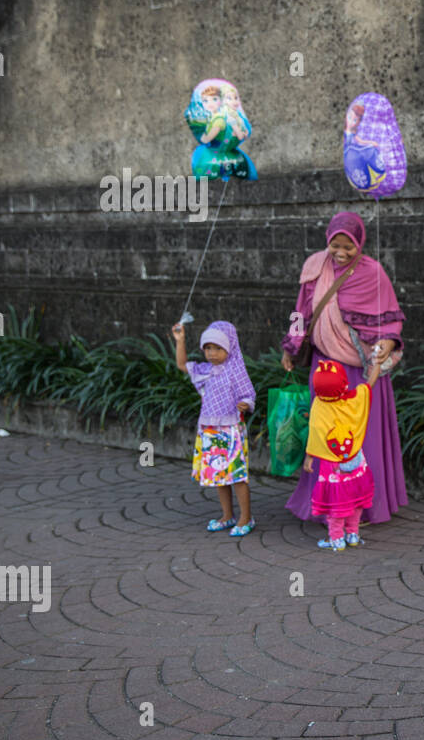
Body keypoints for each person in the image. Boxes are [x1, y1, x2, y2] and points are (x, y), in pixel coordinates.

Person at [280, 211, 408, 526]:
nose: (340, 252)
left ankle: (363, 505)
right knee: (325, 433)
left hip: (361, 370)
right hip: (324, 367)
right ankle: (325, 504)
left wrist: (388, 344)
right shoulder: (315, 268)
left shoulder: (373, 273)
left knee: (361, 436)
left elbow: (390, 320)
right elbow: (302, 312)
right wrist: (291, 348)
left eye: (348, 246)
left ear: (360, 244)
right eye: (335, 245)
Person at [172, 319, 257, 536]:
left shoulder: (235, 370)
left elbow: (248, 394)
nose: (211, 353)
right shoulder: (205, 370)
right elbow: (183, 365)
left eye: (218, 348)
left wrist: (246, 404)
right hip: (209, 430)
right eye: (208, 348)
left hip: (231, 431)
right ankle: (227, 515)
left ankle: (246, 518)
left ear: (230, 347)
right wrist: (180, 341)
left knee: (237, 476)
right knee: (219, 475)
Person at [306, 355, 384, 550]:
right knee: (355, 500)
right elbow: (369, 384)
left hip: (331, 468)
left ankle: (336, 538)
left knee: (336, 502)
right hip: (357, 461)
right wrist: (377, 365)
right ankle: (353, 535)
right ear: (344, 383)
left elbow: (315, 434)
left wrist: (309, 457)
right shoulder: (354, 400)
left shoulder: (319, 406)